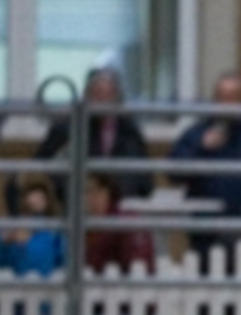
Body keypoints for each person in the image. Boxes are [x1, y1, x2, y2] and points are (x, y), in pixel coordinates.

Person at [170, 70, 241, 266]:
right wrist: (202, 148)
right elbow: (174, 172)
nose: (226, 104)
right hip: (204, 233)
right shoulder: (197, 134)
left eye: (233, 98)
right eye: (221, 97)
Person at [9, 66, 150, 212]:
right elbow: (41, 168)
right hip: (70, 204)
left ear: (117, 97)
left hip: (117, 207)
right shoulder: (68, 128)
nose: (102, 100)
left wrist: (110, 193)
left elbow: (141, 177)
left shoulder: (128, 130)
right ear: (87, 95)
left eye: (108, 94)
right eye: (97, 93)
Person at [0, 174, 66, 276]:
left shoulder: (56, 231)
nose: (36, 199)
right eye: (31, 193)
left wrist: (25, 245)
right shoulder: (9, 228)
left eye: (41, 195)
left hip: (45, 284)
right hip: (16, 284)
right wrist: (2, 243)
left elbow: (62, 262)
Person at [83, 173, 156, 276]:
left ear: (110, 193)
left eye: (98, 191)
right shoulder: (86, 223)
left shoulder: (123, 223)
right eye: (87, 191)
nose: (92, 197)